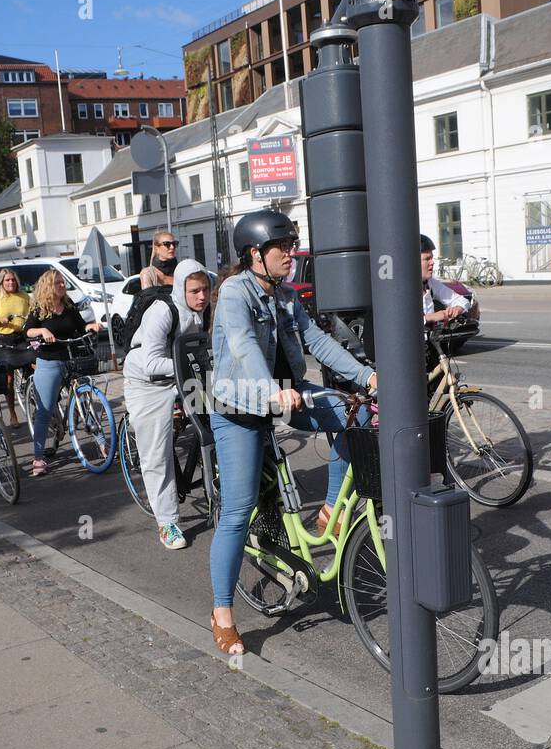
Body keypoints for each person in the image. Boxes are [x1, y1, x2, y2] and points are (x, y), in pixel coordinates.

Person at [207, 209, 377, 656]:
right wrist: (269, 391)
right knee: (238, 512)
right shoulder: (232, 293)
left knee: (353, 417)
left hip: (288, 392)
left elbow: (316, 341)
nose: (291, 253)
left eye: (291, 245)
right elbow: (242, 345)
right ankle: (222, 614)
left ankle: (329, 514)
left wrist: (366, 377)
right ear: (254, 254)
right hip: (240, 404)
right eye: (281, 247)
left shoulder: (283, 294)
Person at [122, 259, 212, 550]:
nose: (202, 296)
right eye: (195, 290)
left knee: (219, 422)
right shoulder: (163, 311)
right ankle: (167, 524)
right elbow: (149, 363)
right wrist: (189, 367)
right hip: (145, 384)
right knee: (157, 454)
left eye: (206, 289)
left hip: (179, 376)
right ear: (182, 289)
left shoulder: (202, 312)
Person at [22, 269, 103, 476]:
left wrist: (91, 326)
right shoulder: (40, 309)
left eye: (62, 283)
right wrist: (42, 331)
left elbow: (79, 326)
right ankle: (38, 458)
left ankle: (102, 443)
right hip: (48, 361)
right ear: (48, 286)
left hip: (70, 359)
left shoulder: (68, 306)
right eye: (58, 283)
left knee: (83, 399)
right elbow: (28, 331)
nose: (62, 286)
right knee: (45, 410)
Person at [0, 267, 32, 428]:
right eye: (7, 280)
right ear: (2, 282)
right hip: (4, 340)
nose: (11, 282)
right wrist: (2, 320)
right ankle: (13, 414)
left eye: (13, 280)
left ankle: (33, 392)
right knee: (8, 380)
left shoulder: (24, 296)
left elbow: (33, 313)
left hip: (21, 338)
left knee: (36, 364)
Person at [420, 234, 478, 326]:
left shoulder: (430, 283)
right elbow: (398, 321)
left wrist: (458, 308)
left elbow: (461, 300)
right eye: (427, 259)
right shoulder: (398, 289)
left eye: (432, 258)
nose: (432, 262)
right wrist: (430, 317)